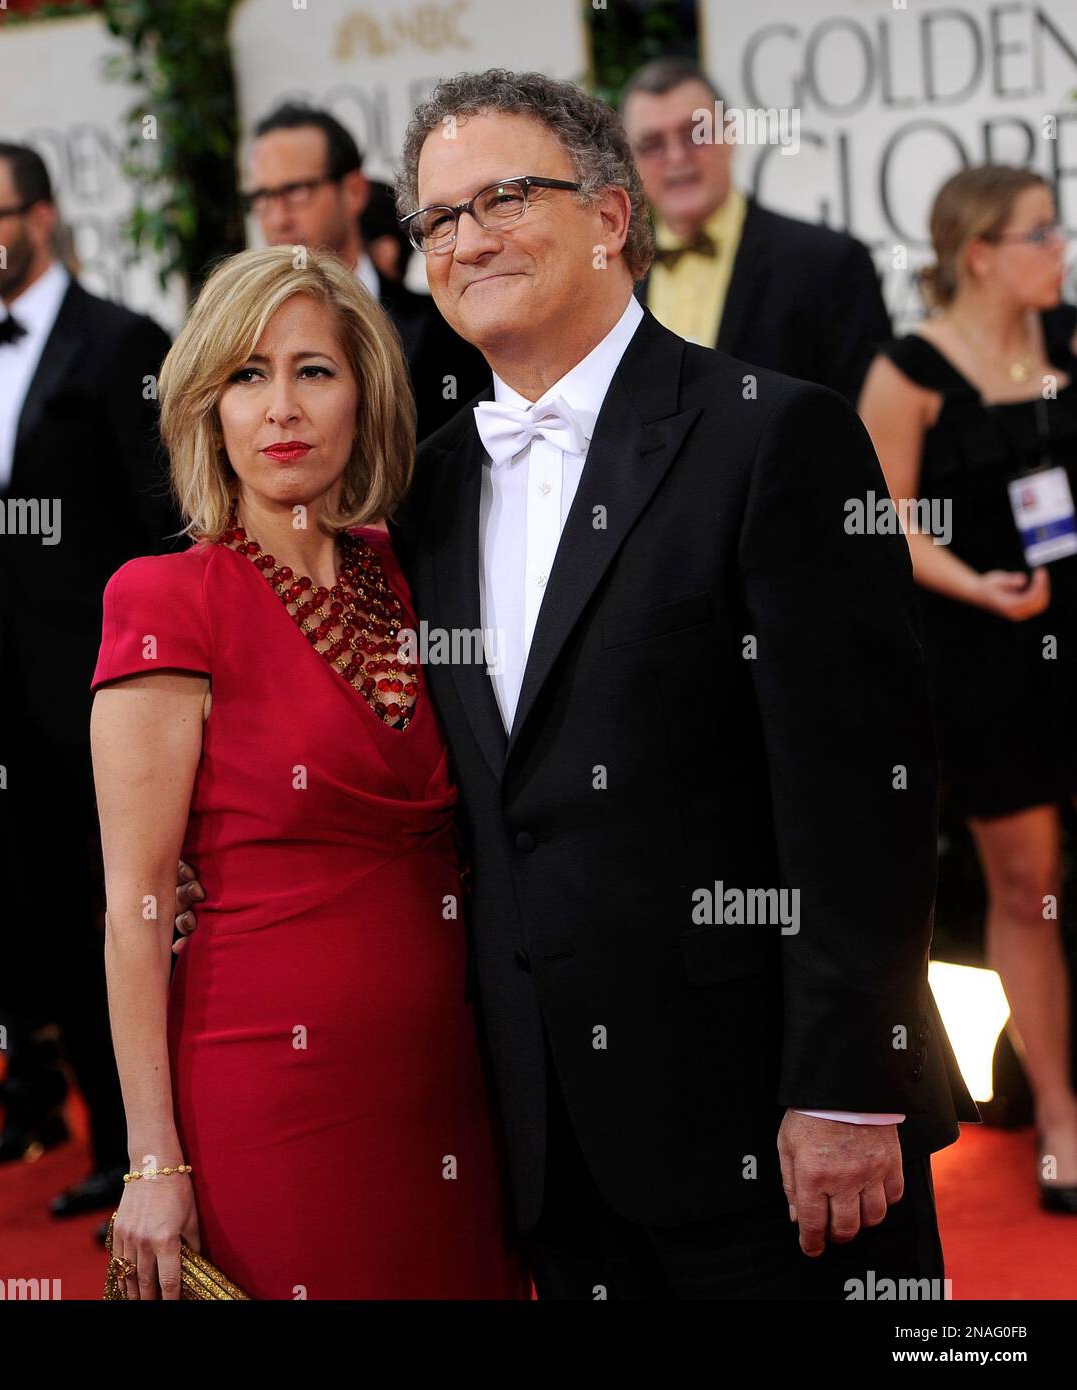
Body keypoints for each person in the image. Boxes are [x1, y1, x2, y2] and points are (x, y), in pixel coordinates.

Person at [182, 67, 985, 1300]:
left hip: (770, 1131)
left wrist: (847, 1084)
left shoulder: (773, 436)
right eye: (439, 217)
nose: (466, 239)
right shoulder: (430, 489)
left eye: (502, 197)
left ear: (611, 216)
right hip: (539, 1152)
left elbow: (866, 793)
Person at [91, 246, 525, 1300]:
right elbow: (136, 904)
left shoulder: (417, 568)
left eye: (312, 371)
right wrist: (152, 1159)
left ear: (364, 392)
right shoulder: (165, 597)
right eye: (247, 375)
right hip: (269, 1090)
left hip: (454, 1084)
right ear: (208, 404)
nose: (280, 408)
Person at [0, 140, 183, 1223]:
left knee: (133, 918)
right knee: (45, 930)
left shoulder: (122, 345)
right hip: (1, 704)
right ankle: (105, 1142)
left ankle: (152, 1150)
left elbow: (167, 526)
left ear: (43, 217)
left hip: (115, 700)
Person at [859, 166, 1077, 1214]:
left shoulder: (1067, 340)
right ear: (980, 250)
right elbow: (878, 520)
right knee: (1024, 882)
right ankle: (1060, 1118)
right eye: (1042, 231)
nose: (1061, 246)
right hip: (986, 656)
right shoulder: (908, 372)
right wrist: (980, 586)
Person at [621, 57, 892, 404]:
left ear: (730, 133)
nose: (676, 157)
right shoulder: (613, 275)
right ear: (628, 160)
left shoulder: (830, 263)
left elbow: (870, 426)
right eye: (652, 144)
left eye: (695, 134)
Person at [245, 103, 490, 438]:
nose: (277, 219)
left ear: (354, 192)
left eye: (296, 191)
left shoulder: (450, 329)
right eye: (263, 197)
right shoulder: (236, 339)